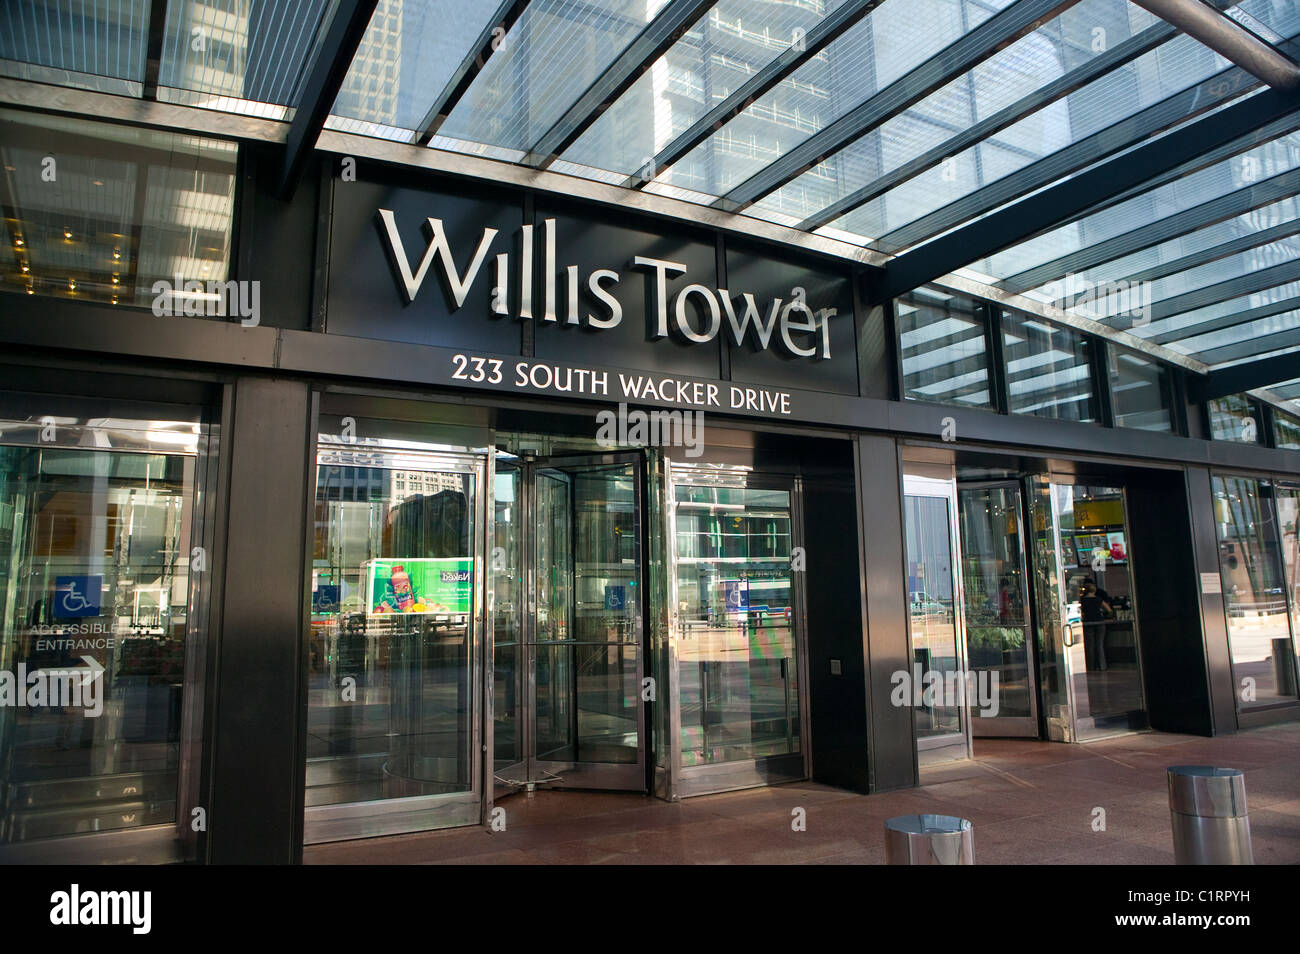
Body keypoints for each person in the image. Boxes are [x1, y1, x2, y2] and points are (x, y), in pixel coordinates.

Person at [1078, 580, 1112, 671]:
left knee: (1090, 645)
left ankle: (1090, 666)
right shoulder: (1099, 599)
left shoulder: (1082, 600)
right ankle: (1102, 666)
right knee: (1099, 644)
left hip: (1088, 622)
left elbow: (1080, 612)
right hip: (1100, 622)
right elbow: (1109, 610)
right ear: (1094, 590)